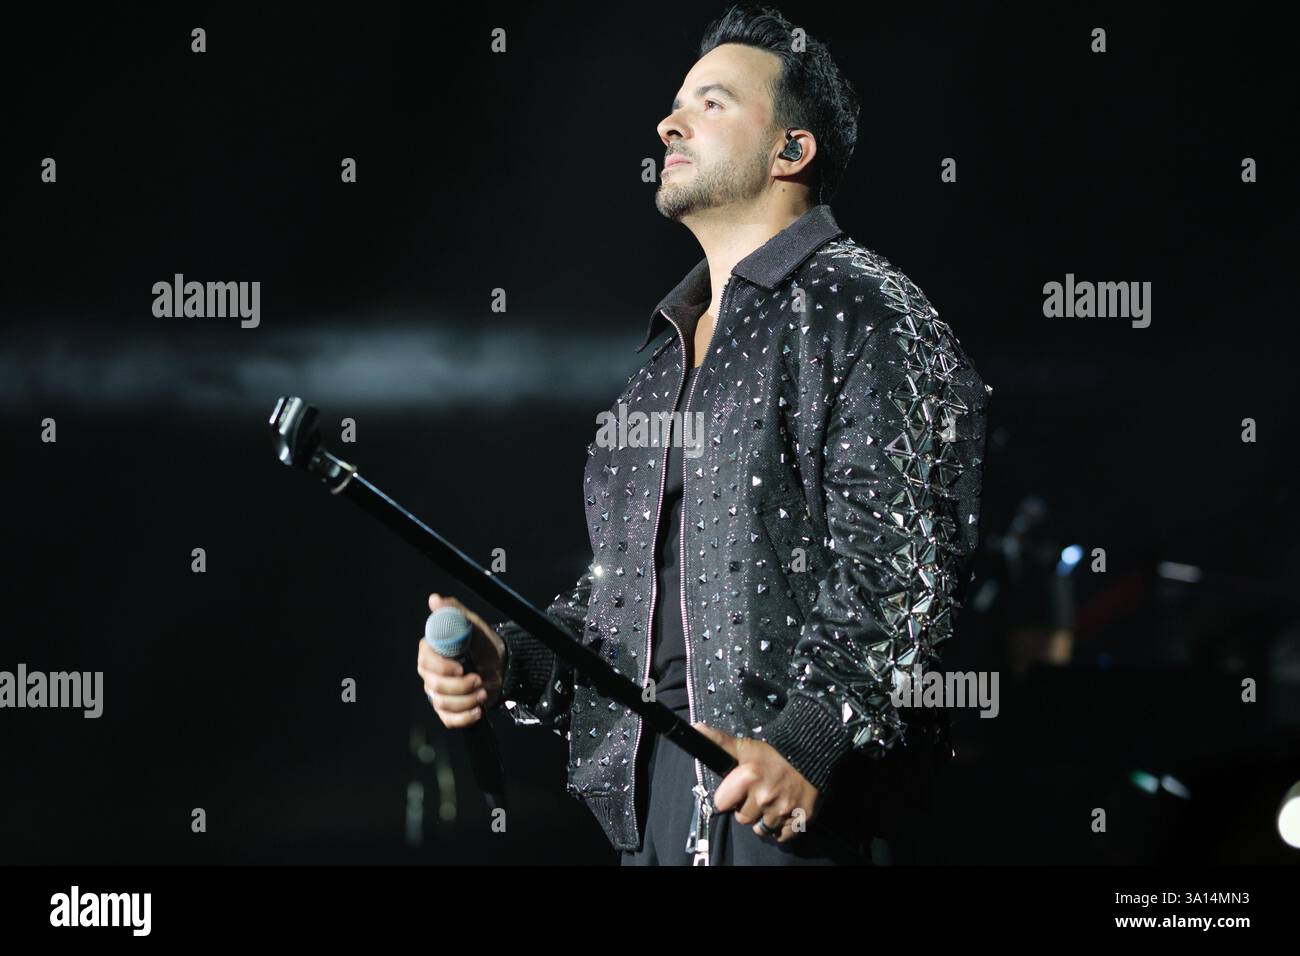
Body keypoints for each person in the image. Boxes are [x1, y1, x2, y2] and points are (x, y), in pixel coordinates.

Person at [416, 3, 990, 865]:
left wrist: (810, 739)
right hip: (657, 821)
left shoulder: (864, 308)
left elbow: (903, 561)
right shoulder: (659, 360)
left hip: (804, 821)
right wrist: (514, 660)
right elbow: (623, 605)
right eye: (678, 102)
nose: (669, 121)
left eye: (713, 102)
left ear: (792, 151)